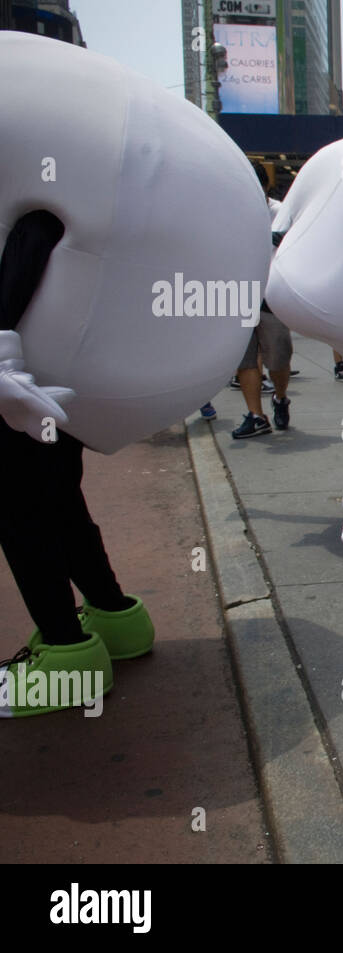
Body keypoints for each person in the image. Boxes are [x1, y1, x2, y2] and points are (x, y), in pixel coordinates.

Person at [0, 210, 152, 716]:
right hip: (56, 383)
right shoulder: (67, 205)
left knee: (22, 517)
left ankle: (67, 656)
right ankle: (113, 616)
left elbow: (20, 268)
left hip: (19, 389)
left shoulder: (35, 214)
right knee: (61, 502)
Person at [232, 162, 293, 439]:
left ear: (265, 186)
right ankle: (256, 416)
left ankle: (280, 397)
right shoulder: (231, 214)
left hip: (272, 299)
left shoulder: (280, 213)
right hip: (240, 296)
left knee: (278, 360)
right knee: (244, 361)